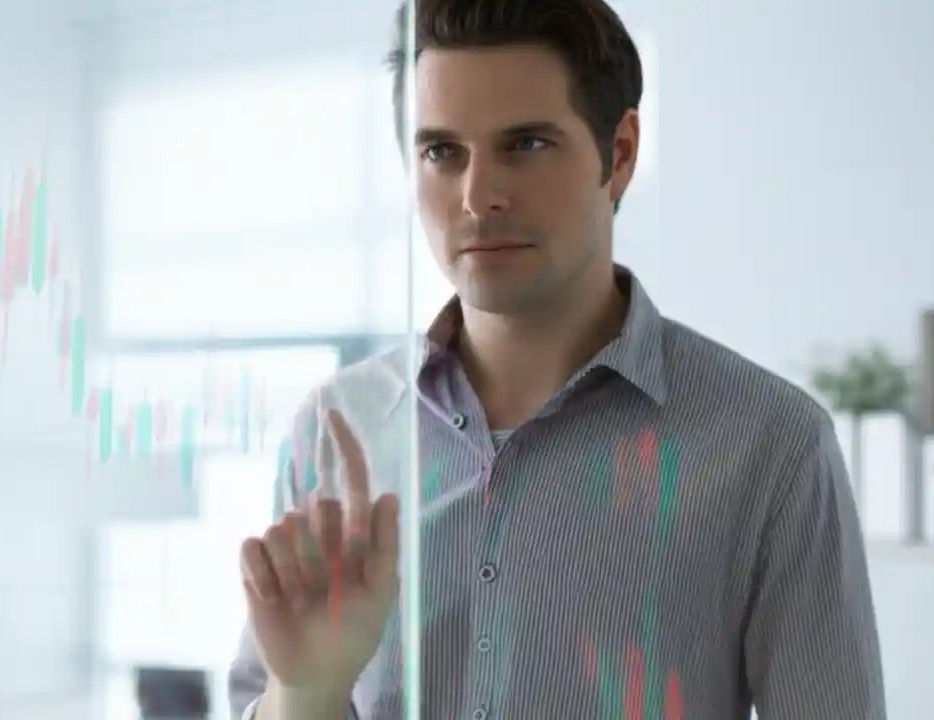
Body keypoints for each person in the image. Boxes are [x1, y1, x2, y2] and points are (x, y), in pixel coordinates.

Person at [228, 0, 886, 718]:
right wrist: (306, 693)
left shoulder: (770, 447)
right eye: (442, 152)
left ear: (621, 152)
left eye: (527, 144)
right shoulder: (334, 430)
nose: (479, 196)